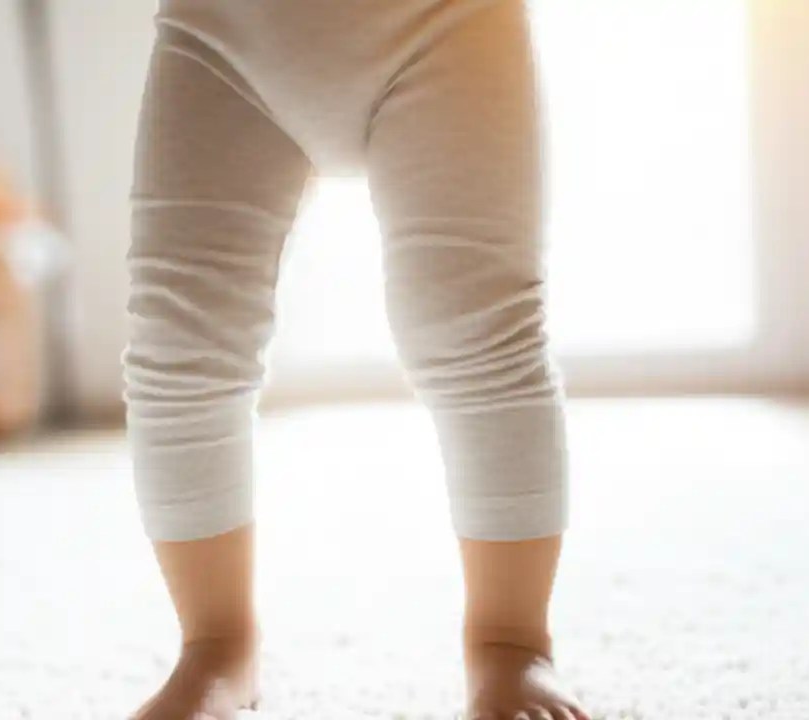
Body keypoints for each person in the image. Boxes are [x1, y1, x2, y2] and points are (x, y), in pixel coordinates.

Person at [123, 1, 587, 717]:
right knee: (179, 342)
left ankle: (511, 640)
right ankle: (215, 643)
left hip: (446, 24)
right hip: (221, 34)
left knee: (477, 330)